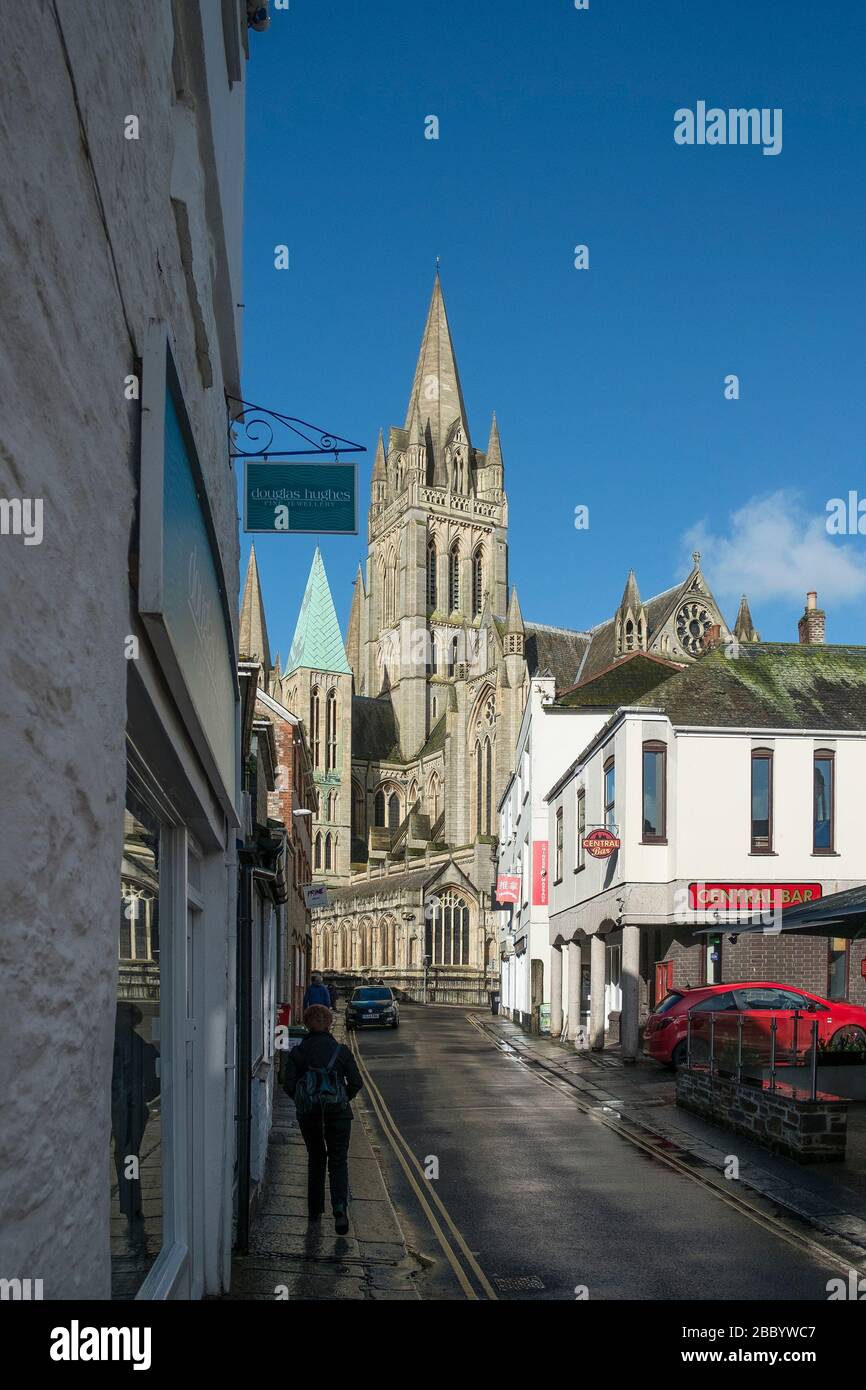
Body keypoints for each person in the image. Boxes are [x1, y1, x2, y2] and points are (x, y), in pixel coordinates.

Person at [283, 1004, 363, 1233]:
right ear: (329, 1023)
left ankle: (315, 1210)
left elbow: (289, 1085)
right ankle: (339, 1208)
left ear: (307, 1024)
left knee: (316, 1158)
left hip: (310, 1115)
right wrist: (341, 1099)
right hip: (338, 1115)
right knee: (338, 1160)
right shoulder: (342, 1051)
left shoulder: (299, 1052)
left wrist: (305, 1101)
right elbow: (356, 1083)